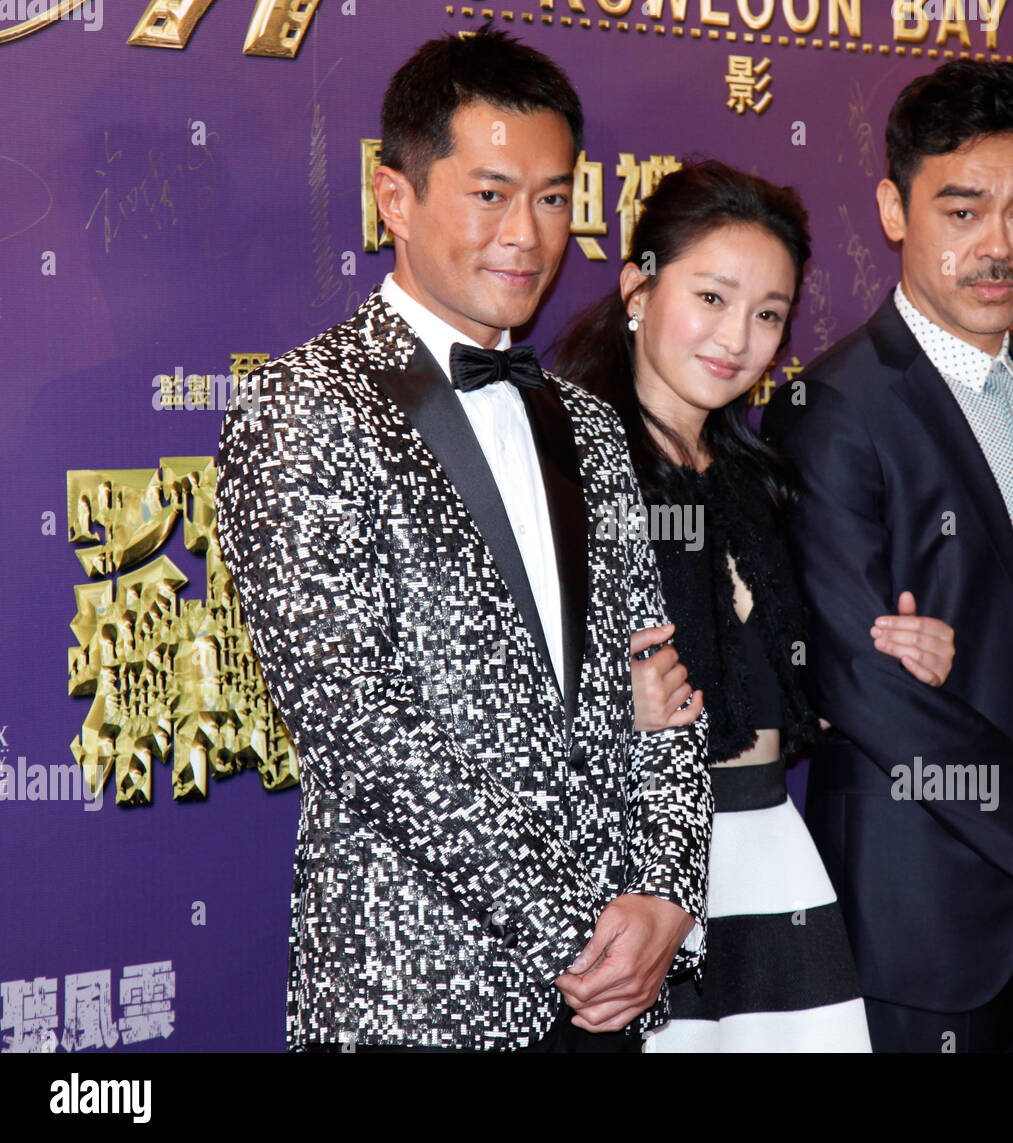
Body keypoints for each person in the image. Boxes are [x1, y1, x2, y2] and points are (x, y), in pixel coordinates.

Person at [215, 25, 712, 1053]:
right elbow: (363, 730)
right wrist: (581, 926)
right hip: (421, 993)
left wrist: (666, 893)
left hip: (610, 991)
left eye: (549, 198)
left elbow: (656, 675)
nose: (526, 235)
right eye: (488, 194)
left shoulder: (582, 420)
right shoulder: (305, 407)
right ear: (394, 197)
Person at [763, 60, 1013, 1052]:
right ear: (894, 210)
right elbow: (864, 682)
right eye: (962, 210)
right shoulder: (834, 411)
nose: (997, 246)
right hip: (927, 928)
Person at [554, 160, 956, 1051]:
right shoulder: (567, 471)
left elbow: (797, 672)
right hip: (632, 879)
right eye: (711, 296)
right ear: (636, 288)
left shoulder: (757, 479)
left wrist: (900, 646)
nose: (737, 338)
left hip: (769, 858)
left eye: (768, 314)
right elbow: (497, 683)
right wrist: (607, 711)